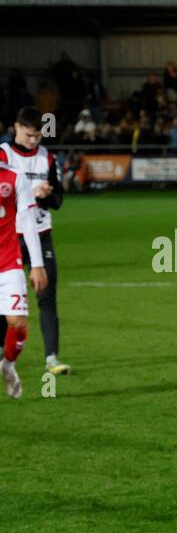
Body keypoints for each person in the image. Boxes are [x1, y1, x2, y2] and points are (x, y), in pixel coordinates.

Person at [0, 107, 68, 376]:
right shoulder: (3, 156)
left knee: (47, 297)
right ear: (16, 128)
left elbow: (58, 200)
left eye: (38, 136)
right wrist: (29, 194)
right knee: (6, 301)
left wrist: (44, 196)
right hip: (8, 239)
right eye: (29, 135)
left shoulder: (48, 158)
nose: (33, 141)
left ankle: (52, 358)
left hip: (41, 236)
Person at [0, 156, 45, 399]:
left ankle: (8, 365)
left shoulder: (14, 176)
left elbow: (27, 221)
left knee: (17, 323)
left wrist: (37, 264)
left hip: (9, 262)